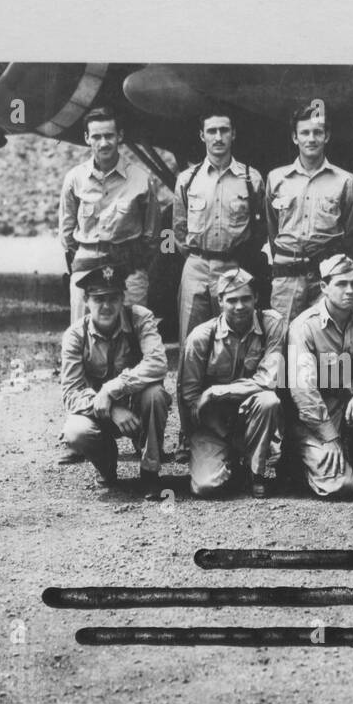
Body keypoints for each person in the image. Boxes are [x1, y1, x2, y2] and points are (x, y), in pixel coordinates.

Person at [171, 109, 268, 462]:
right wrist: (199, 257)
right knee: (191, 352)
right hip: (196, 265)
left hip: (234, 266)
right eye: (211, 130)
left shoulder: (250, 178)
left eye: (224, 130)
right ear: (202, 136)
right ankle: (187, 435)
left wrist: (236, 259)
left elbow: (260, 229)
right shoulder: (188, 179)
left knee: (238, 349)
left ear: (233, 134)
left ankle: (238, 432)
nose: (218, 137)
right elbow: (178, 230)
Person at [60, 260, 170, 494]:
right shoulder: (75, 336)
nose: (106, 306)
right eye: (99, 299)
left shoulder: (140, 319)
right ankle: (106, 466)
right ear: (86, 302)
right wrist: (110, 408)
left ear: (123, 299)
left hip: (136, 408)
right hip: (98, 412)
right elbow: (71, 394)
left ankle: (150, 470)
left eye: (113, 298)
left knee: (156, 394)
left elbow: (158, 363)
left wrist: (113, 388)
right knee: (75, 430)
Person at [285, 254, 353, 497]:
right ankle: (297, 460)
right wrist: (329, 436)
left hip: (350, 407)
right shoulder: (305, 327)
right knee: (340, 486)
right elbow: (304, 392)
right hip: (316, 418)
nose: (350, 291)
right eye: (342, 284)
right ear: (324, 287)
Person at [178, 268, 285, 498]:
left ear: (256, 298)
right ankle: (232, 458)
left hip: (251, 416)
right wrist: (222, 434)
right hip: (213, 423)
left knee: (269, 400)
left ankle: (257, 473)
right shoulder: (201, 337)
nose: (239, 306)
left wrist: (218, 391)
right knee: (207, 486)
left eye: (246, 298)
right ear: (220, 301)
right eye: (232, 300)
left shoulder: (272, 325)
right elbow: (189, 397)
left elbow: (268, 381)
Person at [59, 107, 162, 324]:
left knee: (133, 337)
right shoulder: (74, 179)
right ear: (87, 138)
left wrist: (134, 264)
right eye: (96, 136)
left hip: (129, 269)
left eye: (109, 136)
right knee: (83, 338)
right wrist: (86, 255)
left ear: (120, 136)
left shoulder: (142, 179)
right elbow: (67, 233)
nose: (104, 143)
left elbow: (152, 235)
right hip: (86, 266)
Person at [264, 100, 353, 326]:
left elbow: (352, 232)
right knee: (284, 340)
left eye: (317, 132)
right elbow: (272, 229)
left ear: (326, 136)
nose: (311, 139)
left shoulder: (344, 181)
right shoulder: (277, 179)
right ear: (295, 137)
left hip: (325, 276)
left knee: (326, 339)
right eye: (304, 133)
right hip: (287, 277)